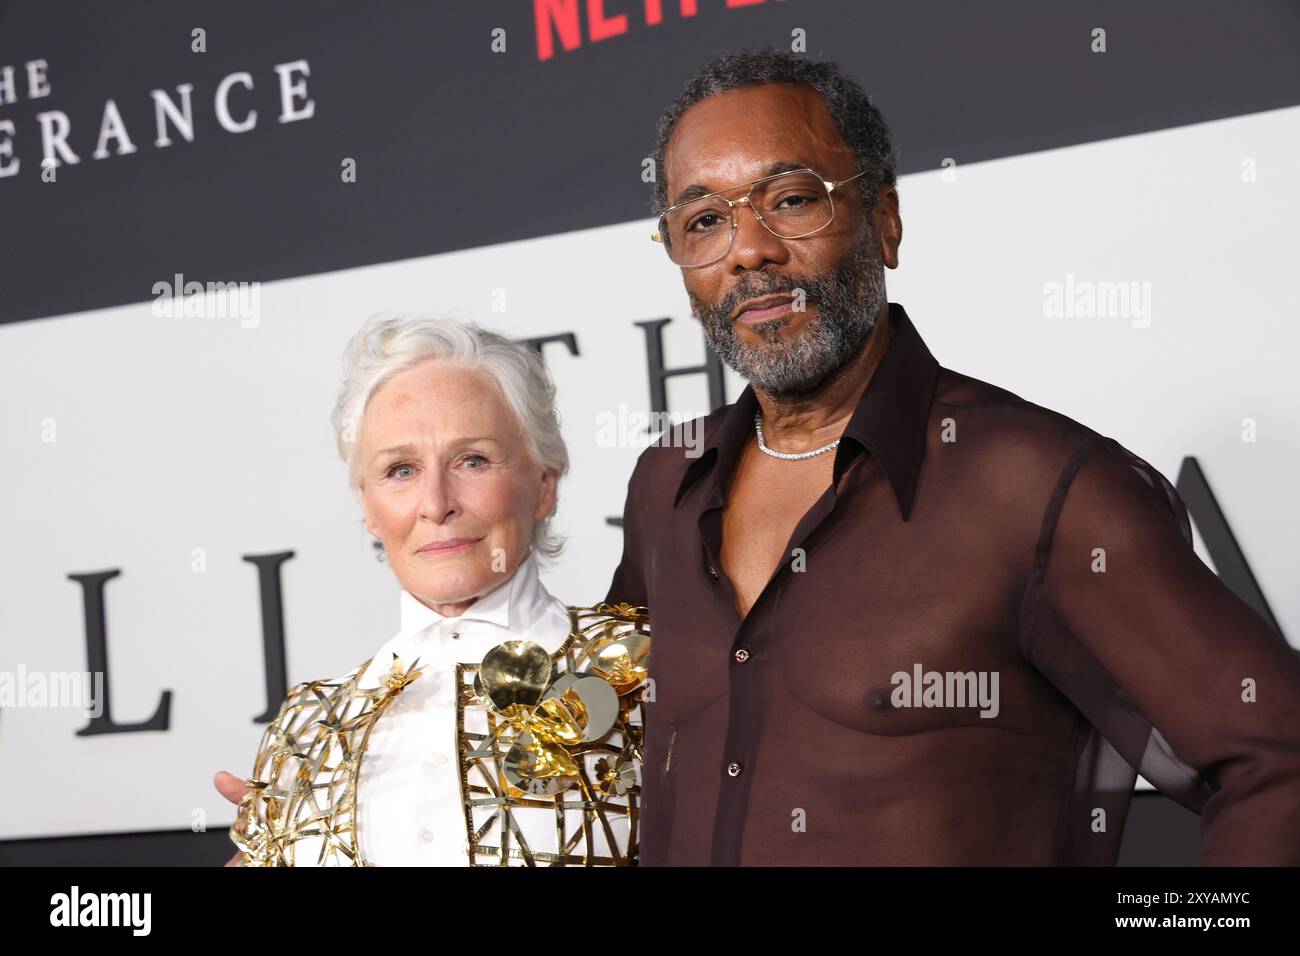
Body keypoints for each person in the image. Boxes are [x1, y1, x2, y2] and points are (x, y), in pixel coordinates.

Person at [606, 49, 1300, 865]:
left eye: (791, 200)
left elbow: (1279, 763)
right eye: (705, 221)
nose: (748, 250)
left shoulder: (1039, 486)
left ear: (886, 221)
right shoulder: (667, 486)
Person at [218, 315, 647, 866]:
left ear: (544, 486)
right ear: (368, 506)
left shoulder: (644, 664)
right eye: (400, 470)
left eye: (472, 460)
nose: (436, 502)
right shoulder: (309, 726)